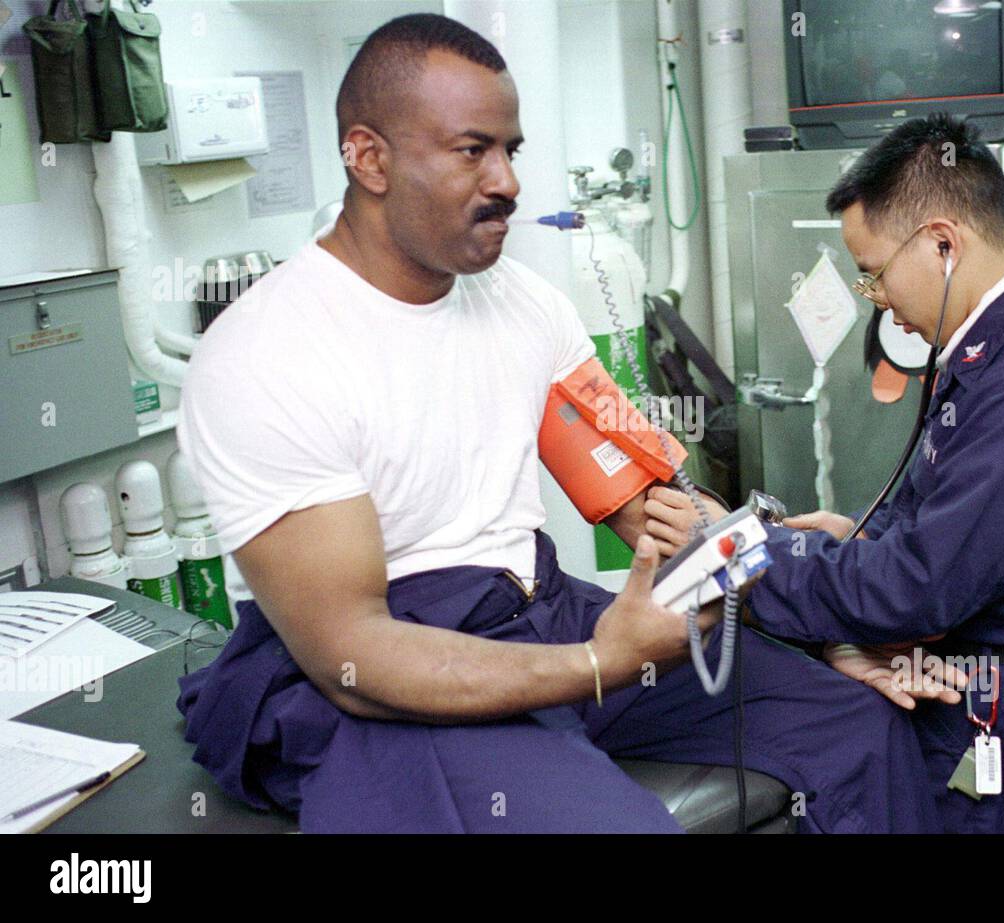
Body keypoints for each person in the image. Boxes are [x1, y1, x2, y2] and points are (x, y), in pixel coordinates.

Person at [174, 13, 940, 834]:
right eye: (473, 150)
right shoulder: (267, 354)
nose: (506, 180)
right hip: (401, 665)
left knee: (860, 729)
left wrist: (772, 554)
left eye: (512, 150)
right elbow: (350, 654)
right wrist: (600, 663)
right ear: (368, 158)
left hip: (540, 608)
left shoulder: (525, 306)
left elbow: (649, 503)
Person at [647, 114, 1004, 833]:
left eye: (874, 272)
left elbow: (919, 589)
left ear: (943, 242)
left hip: (995, 711)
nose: (876, 297)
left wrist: (738, 553)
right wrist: (858, 534)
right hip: (978, 681)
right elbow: (957, 517)